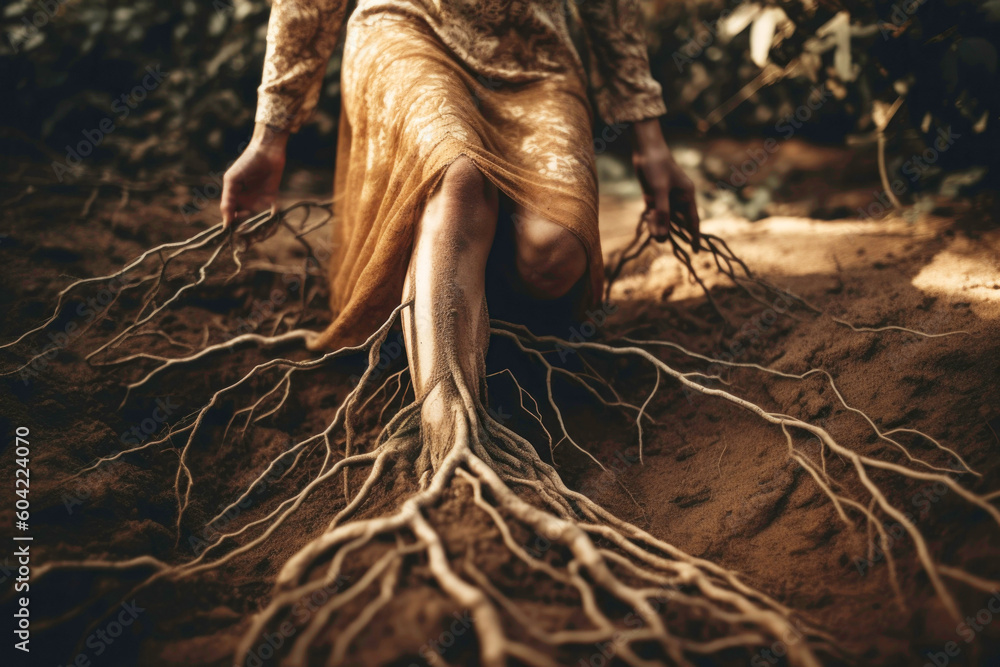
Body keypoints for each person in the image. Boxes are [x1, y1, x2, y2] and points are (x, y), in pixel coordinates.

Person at [220, 0, 700, 443]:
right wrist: (270, 135)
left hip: (536, 58)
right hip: (408, 27)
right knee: (458, 175)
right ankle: (450, 438)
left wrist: (648, 137)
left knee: (553, 255)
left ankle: (474, 314)